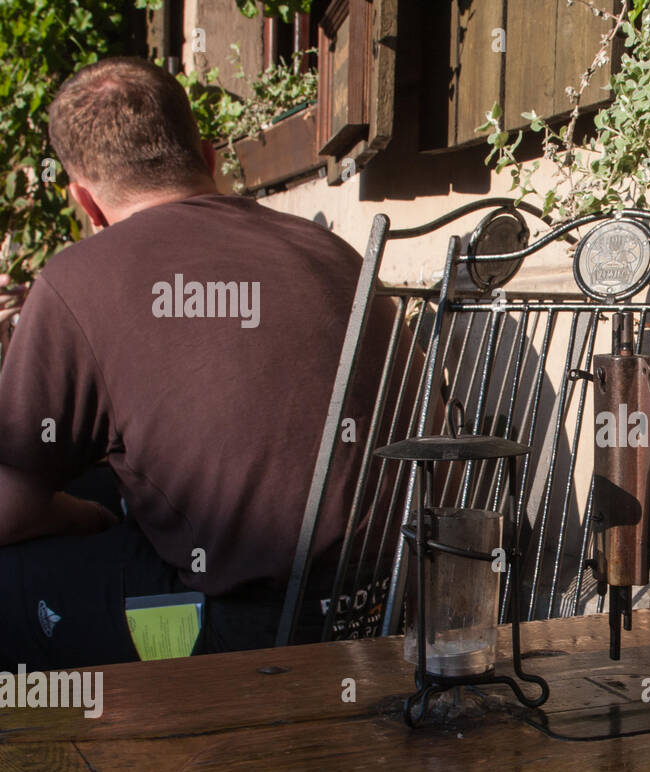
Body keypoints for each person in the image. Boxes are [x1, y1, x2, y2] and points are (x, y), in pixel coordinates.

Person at [0, 57, 393, 671]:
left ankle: (94, 763)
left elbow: (10, 510)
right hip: (394, 607)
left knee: (13, 577)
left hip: (248, 639)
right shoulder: (331, 251)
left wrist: (86, 518)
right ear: (208, 157)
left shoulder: (77, 278)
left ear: (86, 201)